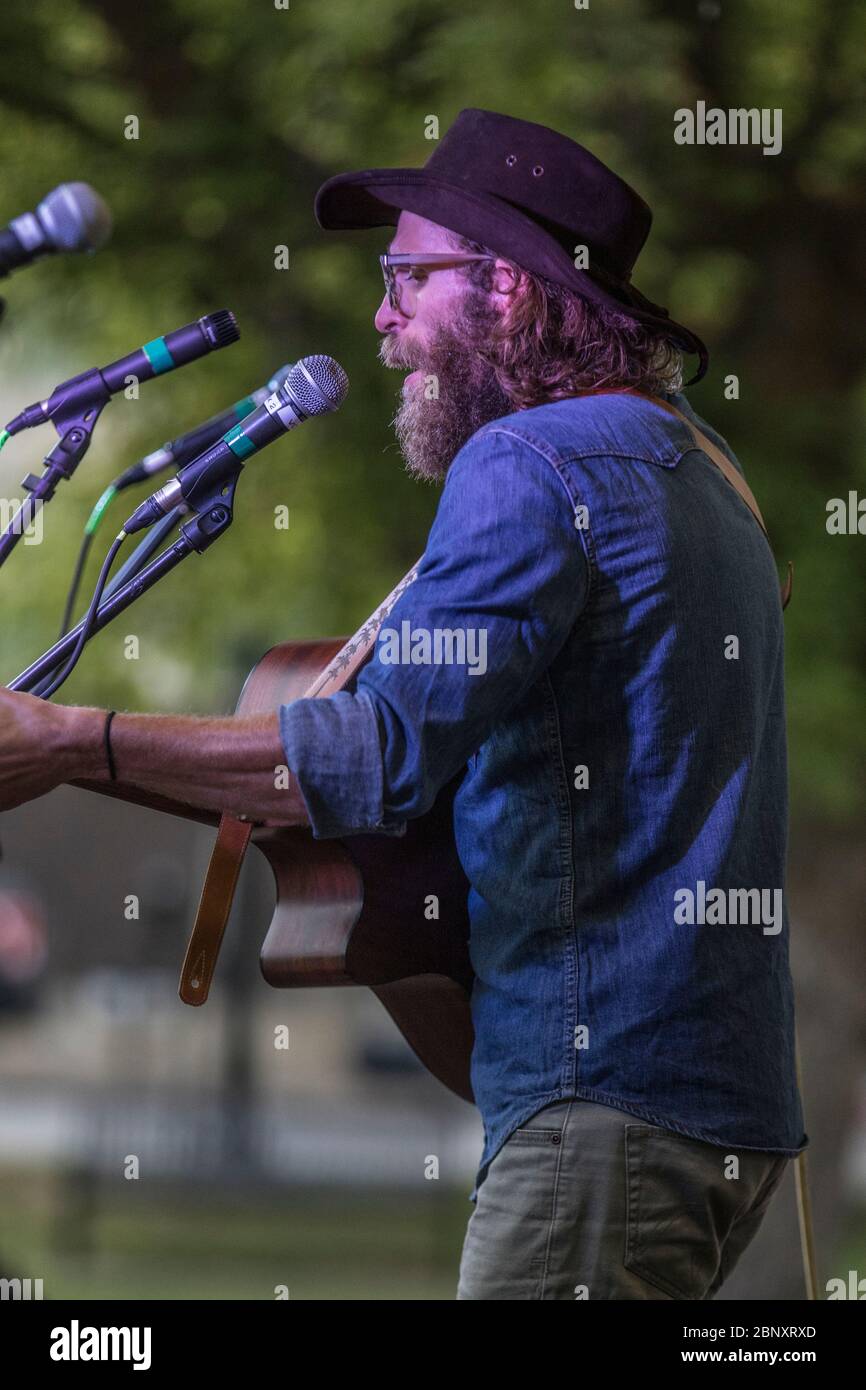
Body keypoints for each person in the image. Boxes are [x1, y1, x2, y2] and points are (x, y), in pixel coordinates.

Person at [0, 109, 807, 1299]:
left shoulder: (530, 464)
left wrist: (74, 740)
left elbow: (374, 754)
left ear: (508, 289)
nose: (380, 319)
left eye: (405, 278)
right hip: (719, 1117)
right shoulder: (701, 471)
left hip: (596, 1106)